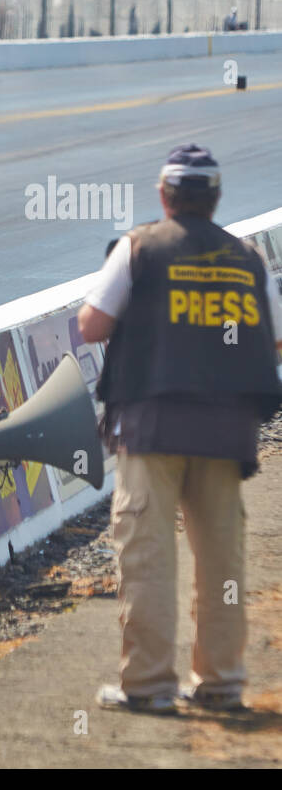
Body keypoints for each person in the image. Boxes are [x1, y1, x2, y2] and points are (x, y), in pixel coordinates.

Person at [79, 144, 282, 714]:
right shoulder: (247, 259)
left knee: (147, 555)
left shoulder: (138, 247)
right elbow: (276, 340)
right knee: (222, 559)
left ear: (164, 196)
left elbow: (92, 325)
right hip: (226, 433)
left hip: (153, 427)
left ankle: (148, 684)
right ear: (214, 197)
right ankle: (221, 681)